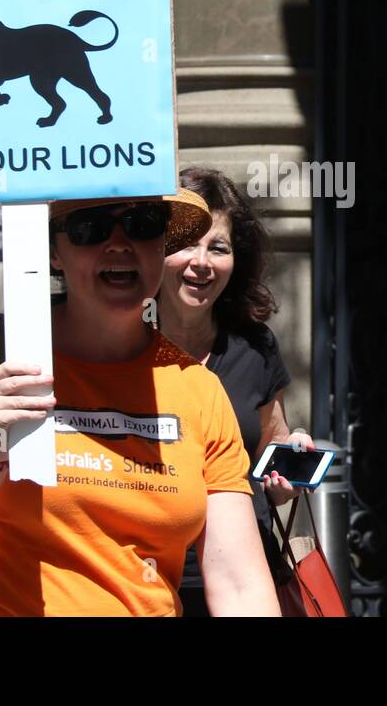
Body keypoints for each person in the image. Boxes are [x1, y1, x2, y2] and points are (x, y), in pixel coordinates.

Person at [0, 189, 281, 616]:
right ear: (55, 254)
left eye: (141, 225)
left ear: (162, 247)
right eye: (90, 229)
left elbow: (240, 585)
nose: (118, 244)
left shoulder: (198, 388)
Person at [156, 167, 311, 616]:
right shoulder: (119, 346)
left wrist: (290, 468)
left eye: (217, 247)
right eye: (185, 243)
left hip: (245, 581)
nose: (201, 261)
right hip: (148, 582)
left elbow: (271, 455)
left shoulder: (255, 346)